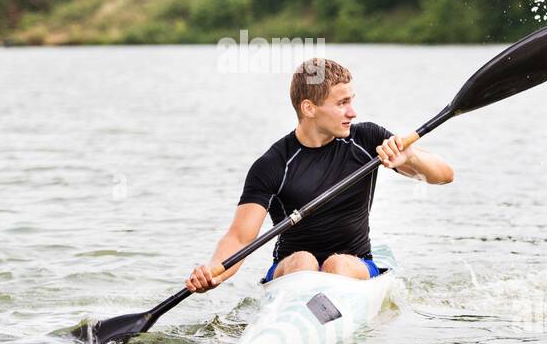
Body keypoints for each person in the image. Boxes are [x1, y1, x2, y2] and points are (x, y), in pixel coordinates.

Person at [185, 57, 453, 293]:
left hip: (354, 264)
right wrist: (213, 273)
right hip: (291, 271)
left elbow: (444, 175)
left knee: (337, 264)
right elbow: (240, 238)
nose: (353, 112)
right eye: (342, 103)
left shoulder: (368, 139)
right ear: (309, 108)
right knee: (304, 261)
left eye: (352, 101)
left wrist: (411, 158)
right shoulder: (273, 164)